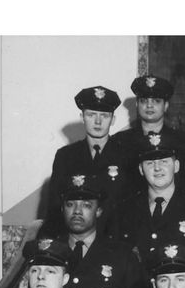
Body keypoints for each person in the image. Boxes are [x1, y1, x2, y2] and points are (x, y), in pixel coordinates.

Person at [45, 172, 143, 288]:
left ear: (99, 211)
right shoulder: (49, 252)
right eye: (70, 204)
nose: (77, 211)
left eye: (86, 205)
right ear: (62, 209)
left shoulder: (122, 255)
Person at [112, 133, 185, 278]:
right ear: (141, 169)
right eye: (150, 163)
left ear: (176, 166)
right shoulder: (125, 210)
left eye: (164, 162)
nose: (157, 168)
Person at [45, 86, 129, 233]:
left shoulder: (126, 155)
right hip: (74, 238)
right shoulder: (65, 156)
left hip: (115, 240)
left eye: (104, 116)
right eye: (91, 115)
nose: (98, 122)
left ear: (113, 119)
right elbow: (55, 207)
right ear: (81, 118)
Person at [112, 75, 185, 179]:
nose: (149, 105)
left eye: (156, 101)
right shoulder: (120, 141)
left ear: (166, 106)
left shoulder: (181, 141)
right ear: (137, 105)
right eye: (144, 101)